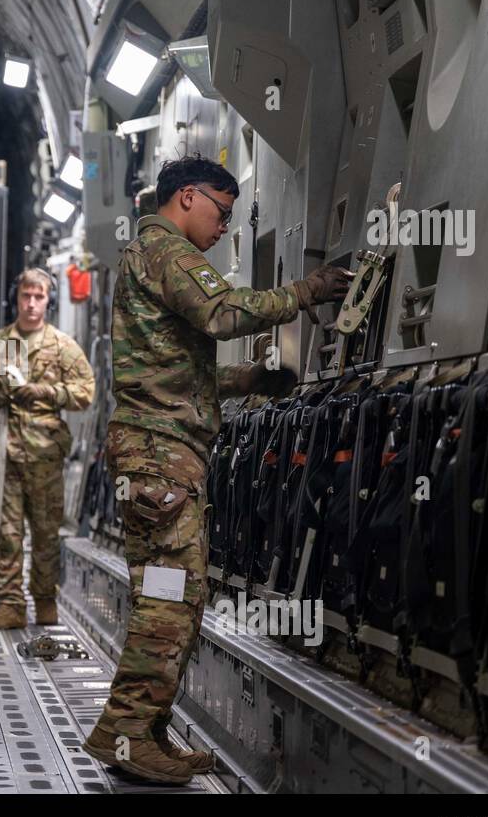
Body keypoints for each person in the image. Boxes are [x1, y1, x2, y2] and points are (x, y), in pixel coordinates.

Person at [83, 156, 352, 784]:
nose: (225, 229)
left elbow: (173, 371)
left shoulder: (144, 256)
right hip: (160, 457)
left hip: (162, 453)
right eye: (222, 214)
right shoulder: (167, 251)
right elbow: (225, 313)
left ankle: (144, 733)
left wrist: (247, 380)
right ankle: (123, 732)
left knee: (179, 594)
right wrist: (304, 294)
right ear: (186, 197)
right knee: (169, 600)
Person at [0, 268, 95, 629]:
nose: (32, 304)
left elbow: (85, 392)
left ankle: (45, 600)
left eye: (39, 297)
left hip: (46, 456)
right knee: (7, 533)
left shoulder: (62, 347)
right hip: (6, 457)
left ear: (48, 300)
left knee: (47, 532)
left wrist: (46, 393)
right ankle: (11, 604)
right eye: (26, 296)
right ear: (16, 299)